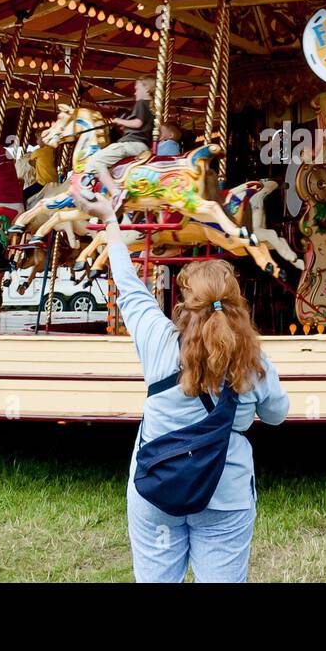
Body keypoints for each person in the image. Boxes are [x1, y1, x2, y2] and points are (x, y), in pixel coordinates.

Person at [79, 190, 289, 582]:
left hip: (157, 490)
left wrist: (110, 219)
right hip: (225, 495)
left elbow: (128, 284)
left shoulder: (158, 340)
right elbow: (277, 415)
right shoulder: (253, 362)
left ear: (183, 304)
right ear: (237, 306)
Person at [90, 77, 155, 199]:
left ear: (146, 88)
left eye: (137, 88)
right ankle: (105, 194)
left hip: (132, 144)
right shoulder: (150, 108)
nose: (135, 92)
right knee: (110, 167)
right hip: (143, 146)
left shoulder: (141, 103)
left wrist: (119, 120)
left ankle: (115, 192)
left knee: (96, 161)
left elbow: (138, 123)